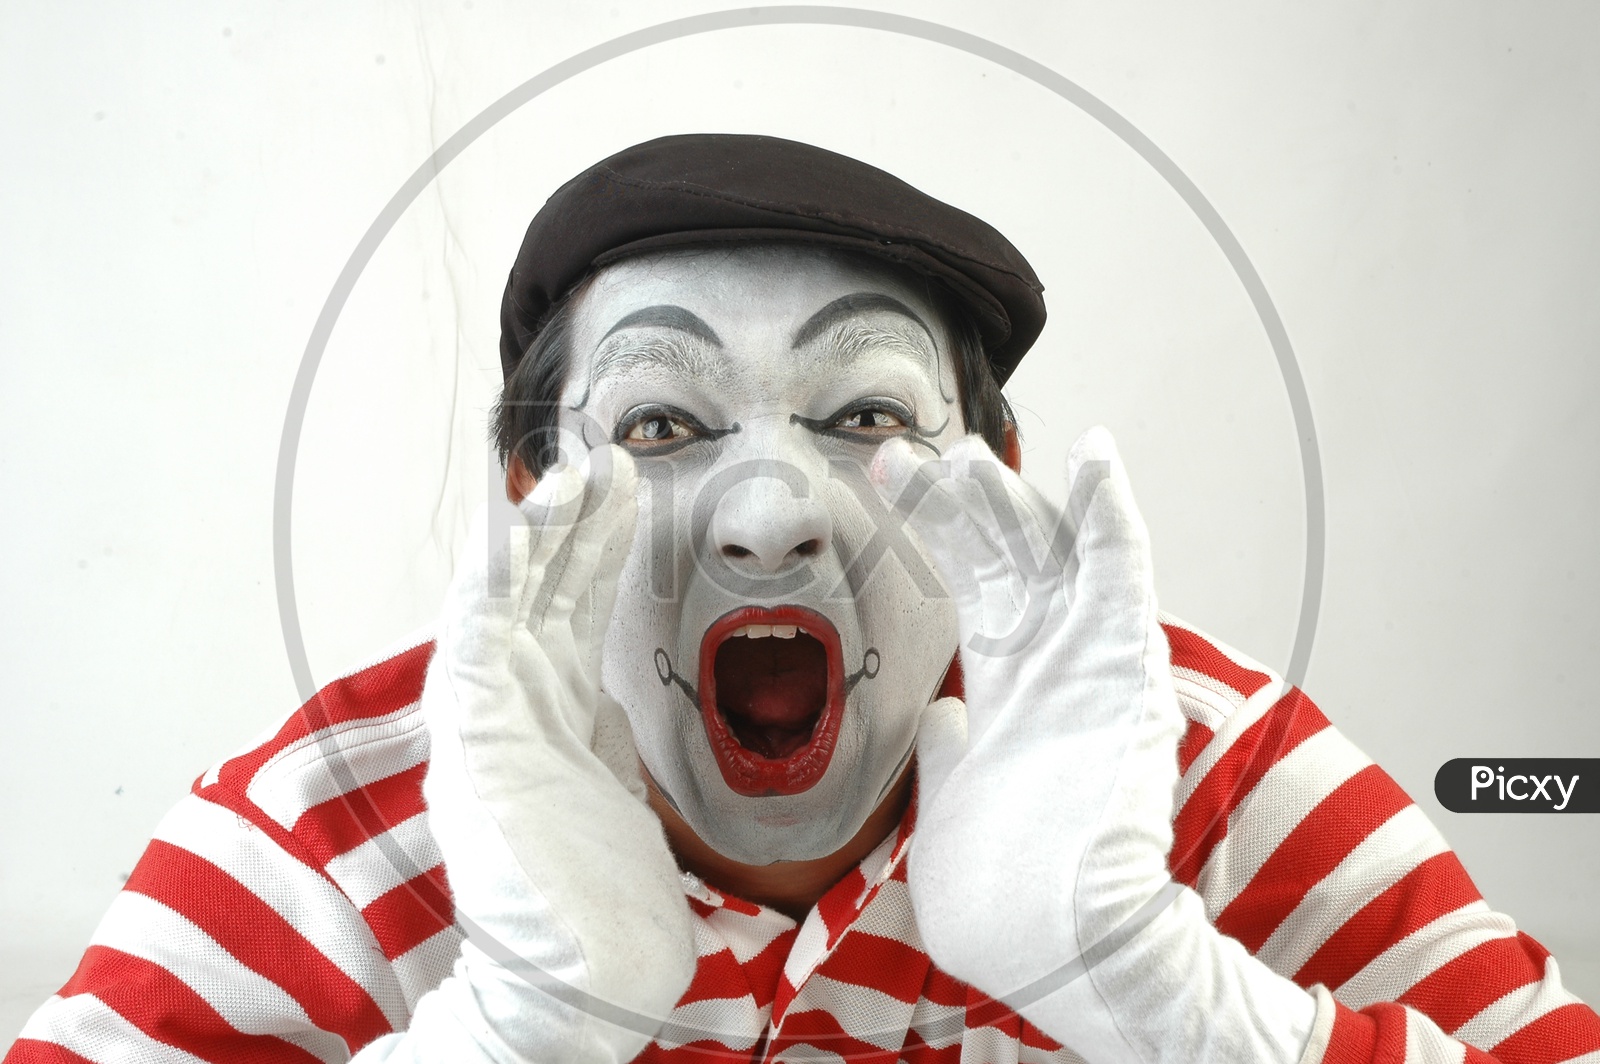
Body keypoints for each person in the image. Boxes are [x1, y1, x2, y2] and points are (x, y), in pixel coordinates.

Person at [7, 134, 1597, 1064]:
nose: (768, 520)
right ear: (528, 503)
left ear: (998, 486)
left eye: (865, 419)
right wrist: (508, 1034)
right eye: (660, 426)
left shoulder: (1205, 762)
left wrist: (1168, 998)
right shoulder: (335, 824)